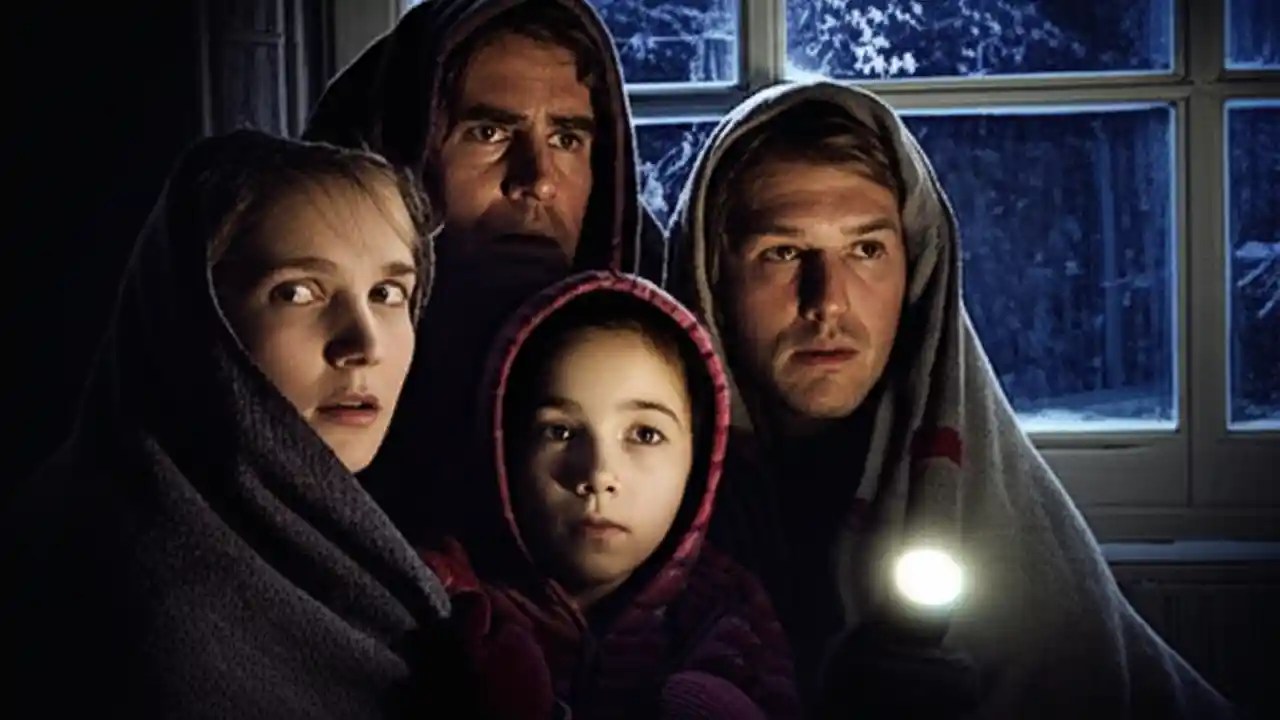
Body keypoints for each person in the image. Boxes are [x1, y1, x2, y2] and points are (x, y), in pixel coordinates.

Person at [666, 80, 1239, 718]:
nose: (827, 300)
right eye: (783, 252)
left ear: (916, 273)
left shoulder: (1007, 523)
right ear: (712, 278)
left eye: (866, 250)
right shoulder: (639, 500)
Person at [3, 130, 451, 718]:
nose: (364, 343)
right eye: (297, 292)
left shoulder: (339, 528)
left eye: (389, 293)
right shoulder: (157, 622)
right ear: (195, 321)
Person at [304, 0, 668, 544]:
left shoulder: (674, 378)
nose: (538, 180)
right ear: (398, 156)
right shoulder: (311, 407)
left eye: (567, 139)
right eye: (489, 133)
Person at [419, 271, 801, 719]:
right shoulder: (445, 597)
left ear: (699, 461)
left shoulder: (726, 610)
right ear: (504, 448)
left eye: (645, 434)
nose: (598, 474)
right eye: (560, 431)